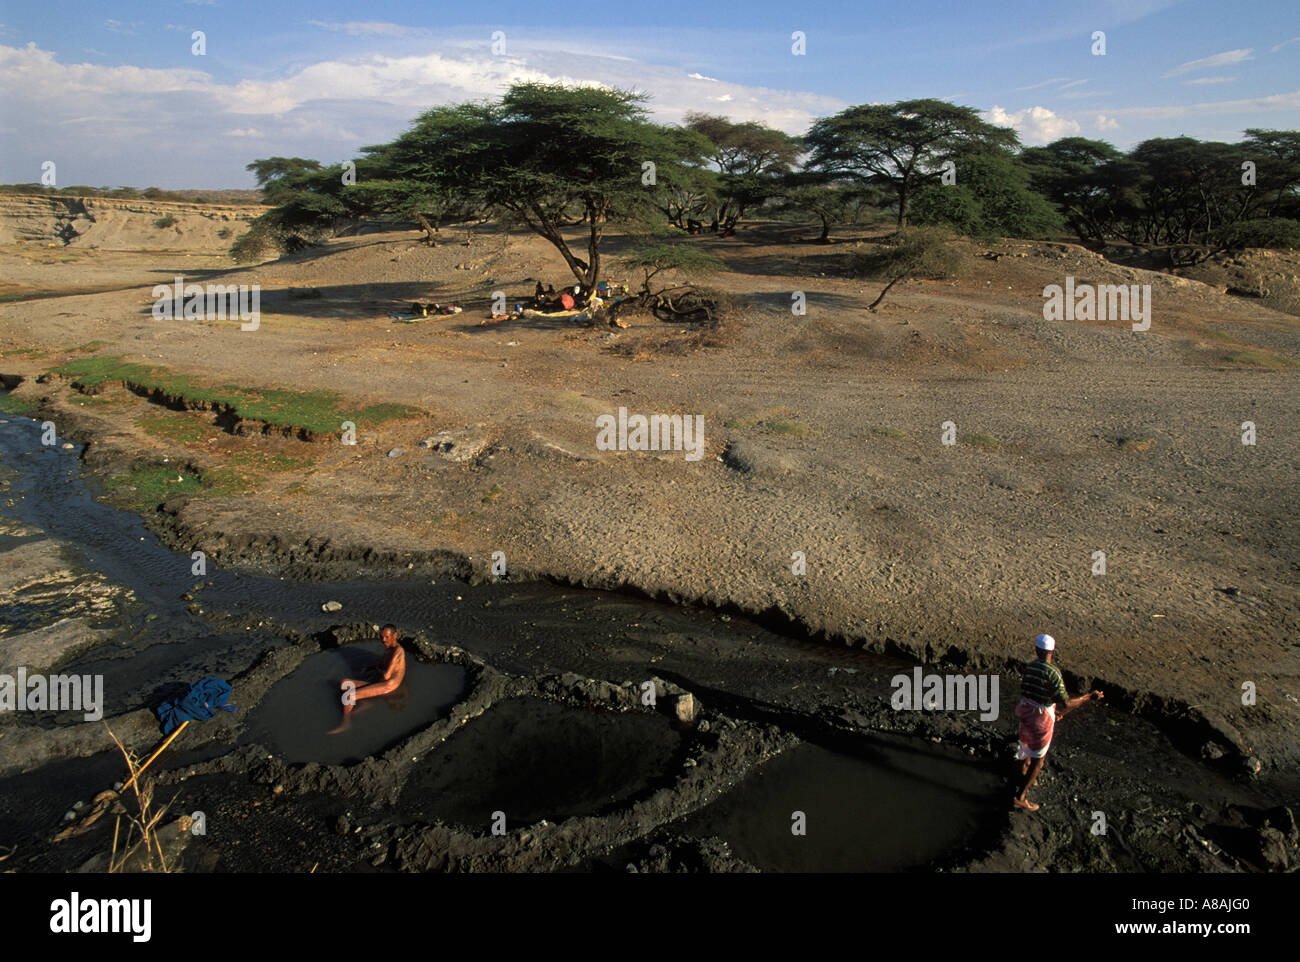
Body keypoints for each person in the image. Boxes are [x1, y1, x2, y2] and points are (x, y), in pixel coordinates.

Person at [1013, 632, 1103, 810]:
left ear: (1037, 650)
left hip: (1026, 711)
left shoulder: (1031, 667)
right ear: (1052, 651)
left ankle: (1022, 771)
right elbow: (1066, 701)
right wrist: (1088, 697)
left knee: (1025, 745)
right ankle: (1021, 796)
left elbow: (1028, 691)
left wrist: (1055, 711)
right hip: (1041, 717)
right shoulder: (1053, 673)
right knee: (1039, 759)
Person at [328, 624, 406, 733]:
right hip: (380, 682)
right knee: (344, 683)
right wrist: (369, 668)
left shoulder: (398, 651)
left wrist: (378, 669)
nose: (383, 640)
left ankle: (346, 723)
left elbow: (386, 675)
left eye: (387, 637)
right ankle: (367, 702)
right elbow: (381, 665)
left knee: (349, 696)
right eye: (382, 637)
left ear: (395, 636)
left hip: (388, 685)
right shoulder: (388, 649)